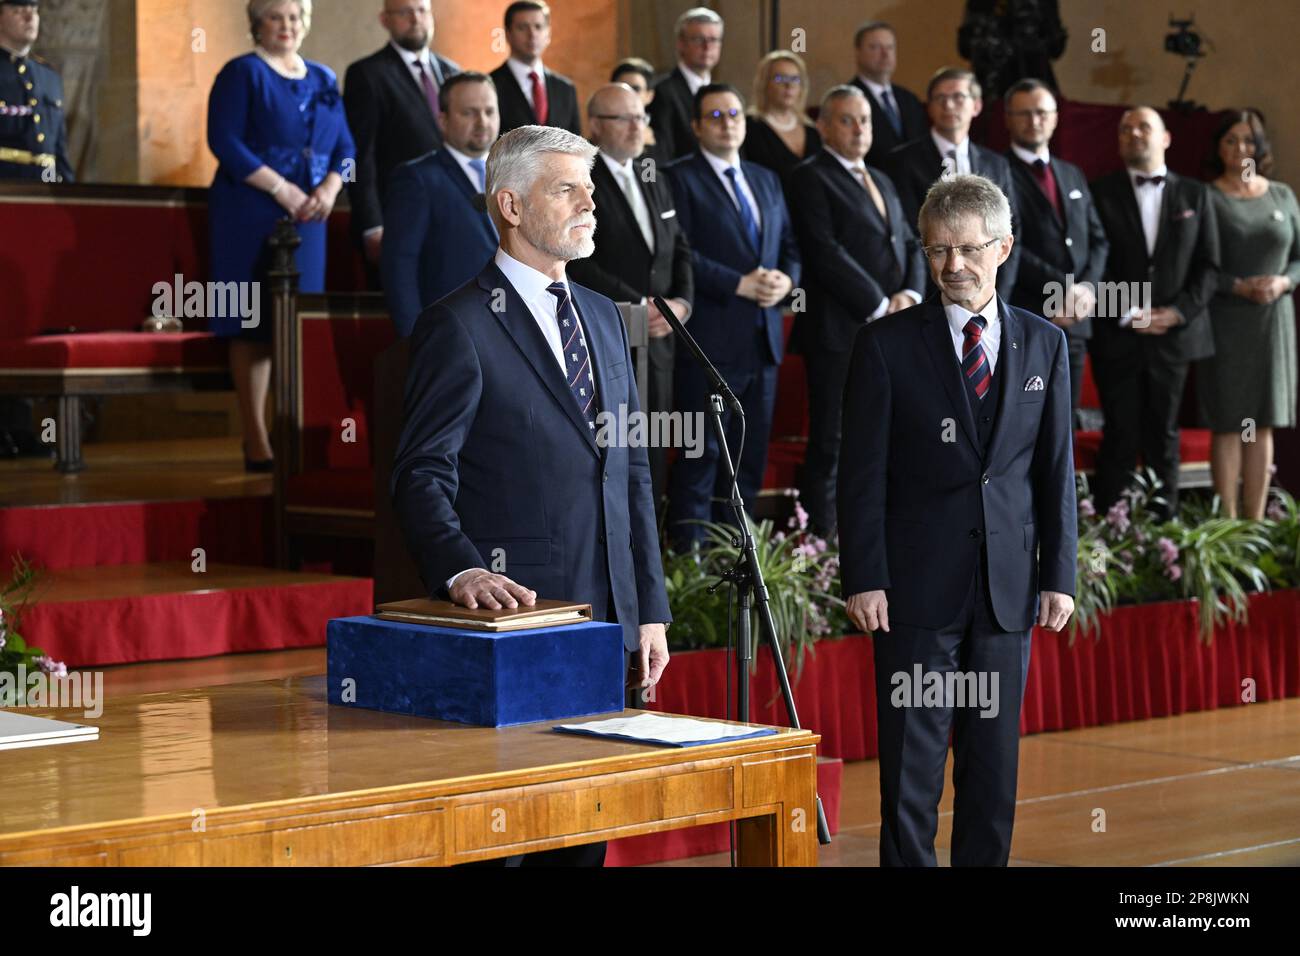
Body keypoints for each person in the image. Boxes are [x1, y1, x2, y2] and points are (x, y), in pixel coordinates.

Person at [391, 126, 671, 865]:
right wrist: (461, 570)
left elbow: (632, 472)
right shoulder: (457, 325)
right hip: (515, 626)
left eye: (591, 189)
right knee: (506, 844)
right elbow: (421, 473)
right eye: (567, 189)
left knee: (581, 844)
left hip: (603, 626)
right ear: (510, 204)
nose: (590, 204)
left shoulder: (610, 320)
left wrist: (648, 611)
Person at [839, 173, 1077, 867]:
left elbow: (1054, 471)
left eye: (969, 249)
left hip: (1005, 591)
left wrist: (1058, 575)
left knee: (992, 771)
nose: (953, 266)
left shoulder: (1044, 345)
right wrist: (866, 576)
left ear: (1003, 247)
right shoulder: (883, 345)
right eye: (939, 250)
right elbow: (859, 476)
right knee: (911, 773)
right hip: (912, 594)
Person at [207, 0, 354, 469]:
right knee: (251, 322)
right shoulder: (241, 72)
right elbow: (223, 141)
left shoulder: (325, 78)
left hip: (310, 218)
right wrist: (282, 189)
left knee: (296, 325)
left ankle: (291, 432)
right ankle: (255, 438)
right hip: (248, 212)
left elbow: (347, 149)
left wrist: (333, 187)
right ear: (257, 24)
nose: (287, 26)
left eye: (295, 17)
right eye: (276, 16)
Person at [664, 84, 800, 551]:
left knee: (748, 466)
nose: (728, 122)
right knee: (699, 464)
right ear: (698, 125)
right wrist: (736, 282)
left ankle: (740, 568)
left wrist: (785, 280)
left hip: (762, 345)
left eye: (735, 113)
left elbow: (788, 247)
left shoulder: (766, 178)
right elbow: (678, 253)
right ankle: (690, 578)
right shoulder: (677, 177)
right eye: (716, 115)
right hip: (708, 345)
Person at [788, 86, 924, 537]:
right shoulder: (810, 176)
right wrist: (880, 303)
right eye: (847, 120)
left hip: (894, 329)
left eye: (864, 119)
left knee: (888, 439)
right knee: (833, 441)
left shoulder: (883, 179)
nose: (859, 128)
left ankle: (876, 536)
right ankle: (821, 543)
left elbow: (908, 241)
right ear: (823, 126)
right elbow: (825, 252)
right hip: (840, 333)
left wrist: (910, 293)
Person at [568, 83, 694, 516]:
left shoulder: (652, 171)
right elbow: (578, 260)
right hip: (607, 334)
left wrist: (681, 304)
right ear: (596, 125)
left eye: (642, 116)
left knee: (654, 454)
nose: (638, 126)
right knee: (614, 452)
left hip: (660, 338)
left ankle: (650, 557)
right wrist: (639, 303)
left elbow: (679, 247)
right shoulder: (578, 178)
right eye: (626, 118)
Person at [1090, 107, 1220, 517]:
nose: (1133, 134)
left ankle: (1166, 538)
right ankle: (1112, 540)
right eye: (1125, 128)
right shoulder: (1099, 192)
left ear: (1166, 138)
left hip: (1174, 337)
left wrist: (1176, 313)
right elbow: (1094, 262)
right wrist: (1128, 313)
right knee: (1119, 435)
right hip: (1119, 335)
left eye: (1144, 127)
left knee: (1164, 435)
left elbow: (1209, 266)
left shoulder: (1196, 195)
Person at [1199, 110, 1300, 518]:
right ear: (1219, 148)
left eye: (1248, 141)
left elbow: (1298, 259)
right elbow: (1199, 266)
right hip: (1226, 320)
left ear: (1259, 147)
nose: (1241, 149)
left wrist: (1283, 283)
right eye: (1231, 141)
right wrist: (1236, 286)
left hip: (1272, 322)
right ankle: (1227, 529)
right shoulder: (1208, 197)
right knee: (1228, 421)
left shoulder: (1282, 195)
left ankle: (1255, 527)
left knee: (1261, 422)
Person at [1003, 78, 1108, 420]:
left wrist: (1086, 289)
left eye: (1042, 112)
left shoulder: (1071, 173)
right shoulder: (998, 171)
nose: (1035, 121)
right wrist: (1064, 288)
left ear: (1055, 117)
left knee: (1065, 421)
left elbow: (1098, 240)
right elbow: (1009, 243)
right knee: (1023, 420)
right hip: (1028, 313)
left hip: (1076, 318)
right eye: (1025, 113)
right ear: (1008, 118)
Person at [343, 0, 460, 274]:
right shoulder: (367, 74)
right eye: (405, 12)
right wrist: (371, 224)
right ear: (385, 20)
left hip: (452, 220)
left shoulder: (454, 73)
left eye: (421, 11)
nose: (416, 19)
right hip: (398, 221)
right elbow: (359, 157)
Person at [884, 67, 1020, 299]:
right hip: (930, 293)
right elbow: (908, 231)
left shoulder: (996, 164)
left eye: (958, 97)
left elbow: (1011, 229)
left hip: (988, 293)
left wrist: (996, 293)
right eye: (940, 98)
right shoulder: (903, 161)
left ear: (976, 105)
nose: (948, 105)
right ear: (929, 107)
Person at [380, 72, 500, 338]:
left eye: (489, 111)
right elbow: (399, 267)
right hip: (452, 333)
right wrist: (415, 338)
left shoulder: (517, 176)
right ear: (443, 120)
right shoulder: (417, 178)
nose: (482, 122)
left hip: (512, 333)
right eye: (469, 113)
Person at [0, 0, 72, 181]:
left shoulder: (49, 76)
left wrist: (69, 189)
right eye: (18, 11)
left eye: (34, 10)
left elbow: (59, 148)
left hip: (45, 183)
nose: (30, 17)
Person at [488, 1, 580, 136]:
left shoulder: (565, 89)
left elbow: (576, 145)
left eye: (538, 27)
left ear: (548, 33)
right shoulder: (491, 85)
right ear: (507, 33)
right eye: (522, 27)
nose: (532, 35)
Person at [849, 20, 927, 169]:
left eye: (890, 47)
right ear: (858, 52)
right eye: (875, 47)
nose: (885, 54)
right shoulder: (848, 100)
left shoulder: (909, 99)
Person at [648, 7, 722, 161]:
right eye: (698, 39)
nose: (707, 47)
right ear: (681, 44)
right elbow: (658, 155)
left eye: (713, 40)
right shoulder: (663, 91)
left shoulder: (722, 94)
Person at [741, 50, 821, 186]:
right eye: (780, 78)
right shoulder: (749, 127)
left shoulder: (812, 130)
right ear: (765, 83)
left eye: (794, 79)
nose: (789, 86)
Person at [610, 57, 665, 163]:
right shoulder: (603, 132)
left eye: (636, 89)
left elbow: (650, 178)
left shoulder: (661, 134)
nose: (629, 94)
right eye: (623, 88)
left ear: (650, 96)